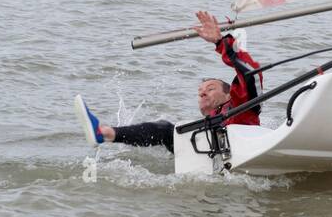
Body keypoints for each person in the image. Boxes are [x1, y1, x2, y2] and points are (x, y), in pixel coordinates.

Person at [74, 11, 263, 154]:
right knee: (166, 131)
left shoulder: (242, 107)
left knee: (165, 129)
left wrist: (220, 42)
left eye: (211, 88)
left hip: (246, 148)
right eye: (200, 91)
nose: (202, 93)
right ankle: (105, 133)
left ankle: (104, 132)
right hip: (208, 154)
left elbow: (250, 73)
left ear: (229, 94)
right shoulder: (203, 127)